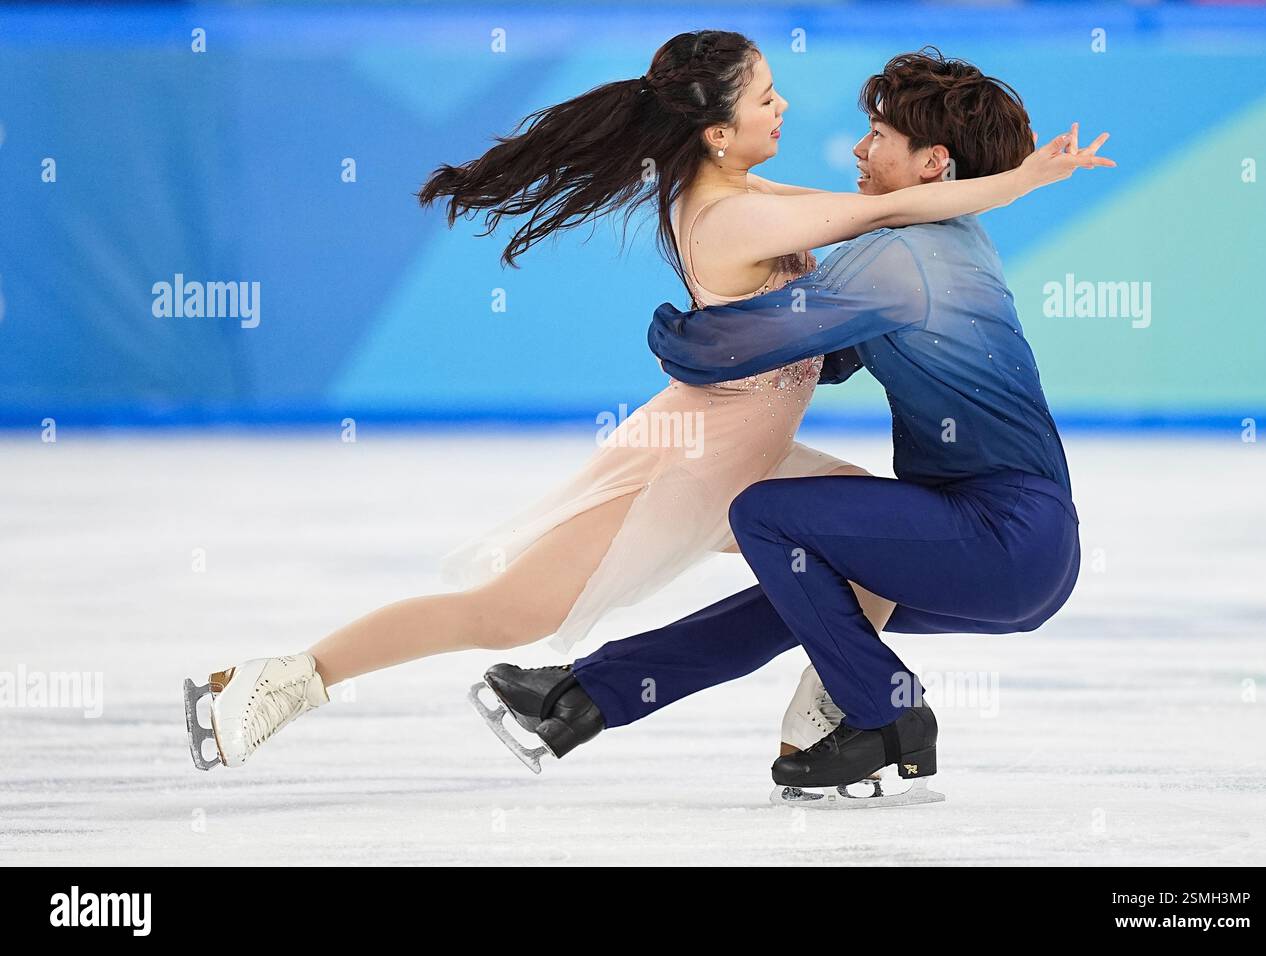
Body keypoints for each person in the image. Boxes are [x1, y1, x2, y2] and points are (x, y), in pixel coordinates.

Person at [182, 36, 1102, 772]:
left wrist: (1009, 181)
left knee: (848, 552)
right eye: (766, 100)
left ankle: (822, 708)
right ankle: (286, 680)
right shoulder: (748, 215)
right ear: (717, 132)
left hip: (761, 452)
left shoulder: (756, 194)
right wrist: (1022, 182)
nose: (795, 115)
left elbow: (876, 236)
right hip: (698, 452)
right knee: (509, 609)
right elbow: (863, 230)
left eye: (872, 135)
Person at [478, 50, 1113, 803]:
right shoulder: (951, 240)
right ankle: (589, 699)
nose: (858, 148)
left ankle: (888, 717)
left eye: (877, 133)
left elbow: (721, 352)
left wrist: (683, 314)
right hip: (1024, 547)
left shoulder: (895, 255)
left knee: (764, 515)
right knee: (806, 592)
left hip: (999, 536)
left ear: (932, 163)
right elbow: (833, 357)